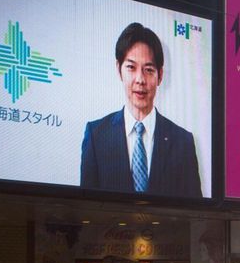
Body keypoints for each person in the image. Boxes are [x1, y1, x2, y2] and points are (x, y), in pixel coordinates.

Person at [79, 22, 202, 197]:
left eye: (148, 70)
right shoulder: (96, 135)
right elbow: (86, 205)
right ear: (119, 70)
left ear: (160, 75)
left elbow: (193, 210)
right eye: (131, 67)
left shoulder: (183, 142)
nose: (140, 79)